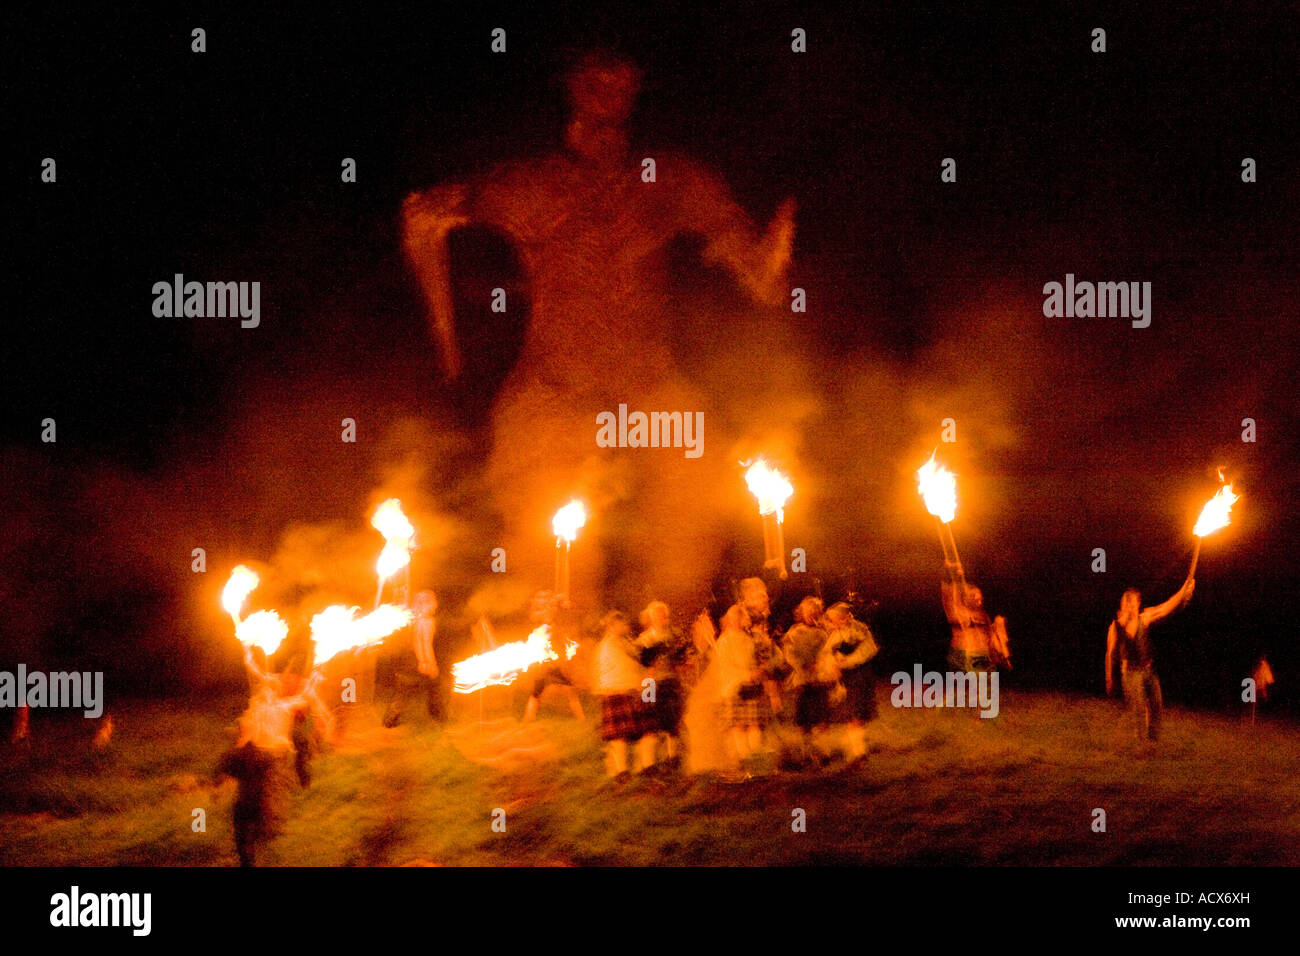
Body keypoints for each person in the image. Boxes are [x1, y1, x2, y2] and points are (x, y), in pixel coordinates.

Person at [1104, 576, 1195, 742]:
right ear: (1122, 606)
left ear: (1138, 604)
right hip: (1130, 673)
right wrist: (1109, 676)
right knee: (1138, 708)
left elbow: (1166, 606)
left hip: (1148, 670)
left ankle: (1153, 741)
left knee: (1156, 705)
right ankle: (1141, 742)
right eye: (1126, 604)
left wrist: (1184, 590)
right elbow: (1110, 653)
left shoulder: (1144, 618)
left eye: (1132, 603)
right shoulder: (1116, 627)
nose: (1130, 607)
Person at [593, 611, 655, 778]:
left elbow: (638, 662)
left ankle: (646, 767)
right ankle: (623, 771)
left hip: (627, 690)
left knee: (645, 731)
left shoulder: (623, 643)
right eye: (623, 624)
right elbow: (628, 667)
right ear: (613, 626)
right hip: (618, 691)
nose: (627, 627)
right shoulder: (608, 646)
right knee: (620, 737)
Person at [780, 597, 835, 765]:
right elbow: (789, 652)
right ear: (801, 613)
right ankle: (806, 752)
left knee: (822, 717)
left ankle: (823, 751)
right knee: (803, 720)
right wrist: (802, 665)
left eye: (815, 612)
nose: (812, 615)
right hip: (803, 681)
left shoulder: (822, 633)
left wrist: (821, 664)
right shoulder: (795, 632)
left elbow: (828, 653)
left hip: (819, 681)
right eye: (808, 612)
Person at [824, 602, 879, 763]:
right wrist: (832, 664)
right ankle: (857, 753)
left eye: (834, 619)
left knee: (858, 716)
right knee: (852, 716)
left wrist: (845, 662)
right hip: (846, 679)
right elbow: (827, 653)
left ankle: (857, 751)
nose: (832, 623)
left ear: (844, 618)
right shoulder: (836, 634)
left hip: (860, 677)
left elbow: (867, 651)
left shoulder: (858, 630)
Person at [635, 600, 686, 772]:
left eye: (663, 615)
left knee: (672, 722)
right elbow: (641, 665)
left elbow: (682, 660)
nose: (661, 618)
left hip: (670, 681)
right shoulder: (645, 639)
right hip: (650, 682)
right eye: (657, 615)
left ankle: (672, 758)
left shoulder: (675, 636)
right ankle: (648, 763)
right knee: (650, 723)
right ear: (651, 617)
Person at [523, 592, 586, 723]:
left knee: (569, 691)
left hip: (552, 663)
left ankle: (581, 719)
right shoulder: (538, 618)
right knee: (536, 694)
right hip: (543, 663)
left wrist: (563, 602)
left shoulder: (550, 621)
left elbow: (557, 610)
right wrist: (559, 602)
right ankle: (527, 720)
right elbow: (546, 614)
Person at [382, 589, 442, 728]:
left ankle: (389, 721)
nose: (436, 604)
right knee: (434, 684)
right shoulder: (427, 621)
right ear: (426, 604)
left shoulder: (412, 618)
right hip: (414, 662)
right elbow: (423, 643)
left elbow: (415, 641)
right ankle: (437, 715)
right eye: (433, 601)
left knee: (404, 691)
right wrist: (428, 663)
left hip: (405, 660)